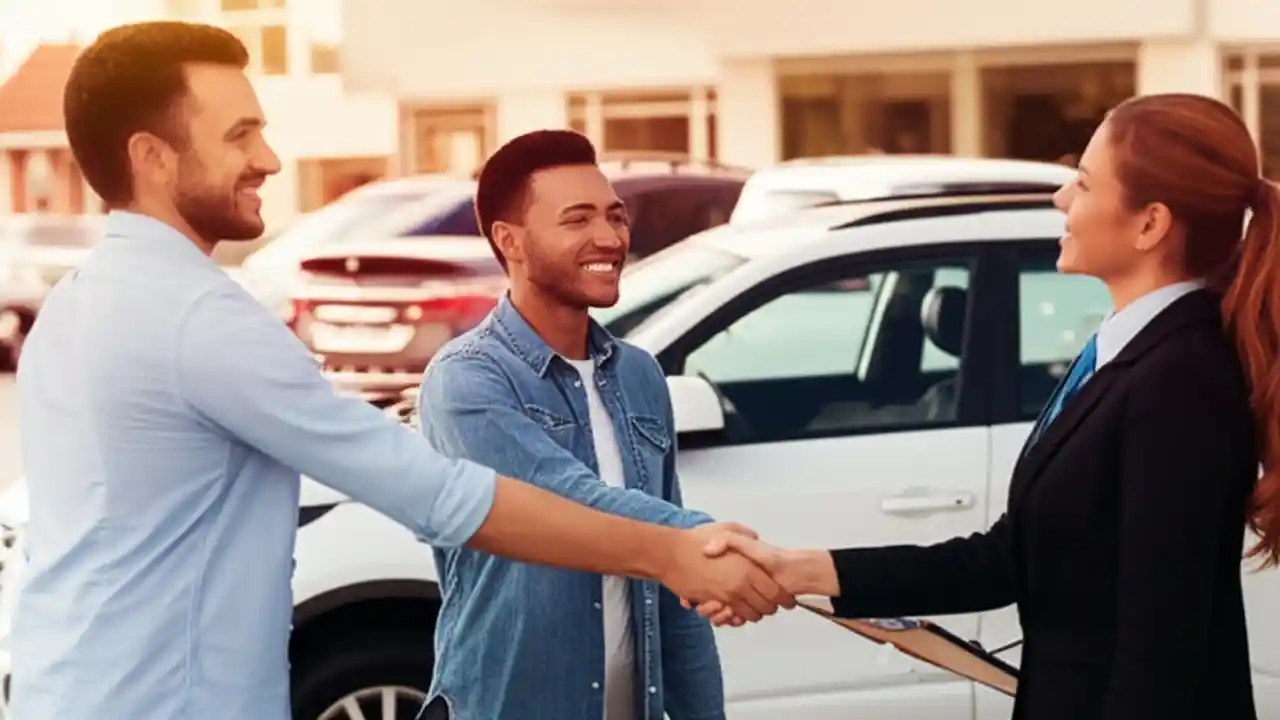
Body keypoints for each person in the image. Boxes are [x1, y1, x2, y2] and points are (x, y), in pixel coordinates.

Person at [12, 22, 788, 720]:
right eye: (241, 134)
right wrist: (670, 552)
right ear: (151, 156)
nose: (269, 158)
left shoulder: (78, 306)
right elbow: (437, 494)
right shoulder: (195, 316)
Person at [692, 92, 1280, 720]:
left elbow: (1159, 649)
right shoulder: (1129, 352)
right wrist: (798, 570)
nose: (1060, 200)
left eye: (1082, 184)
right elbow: (1010, 558)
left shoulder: (1181, 382)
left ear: (1149, 224)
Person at [415, 130, 734, 720]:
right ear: (509, 241)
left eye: (615, 216)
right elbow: (571, 501)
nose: (610, 238)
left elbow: (673, 599)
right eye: (578, 219)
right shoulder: (467, 381)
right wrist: (714, 542)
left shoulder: (638, 374)